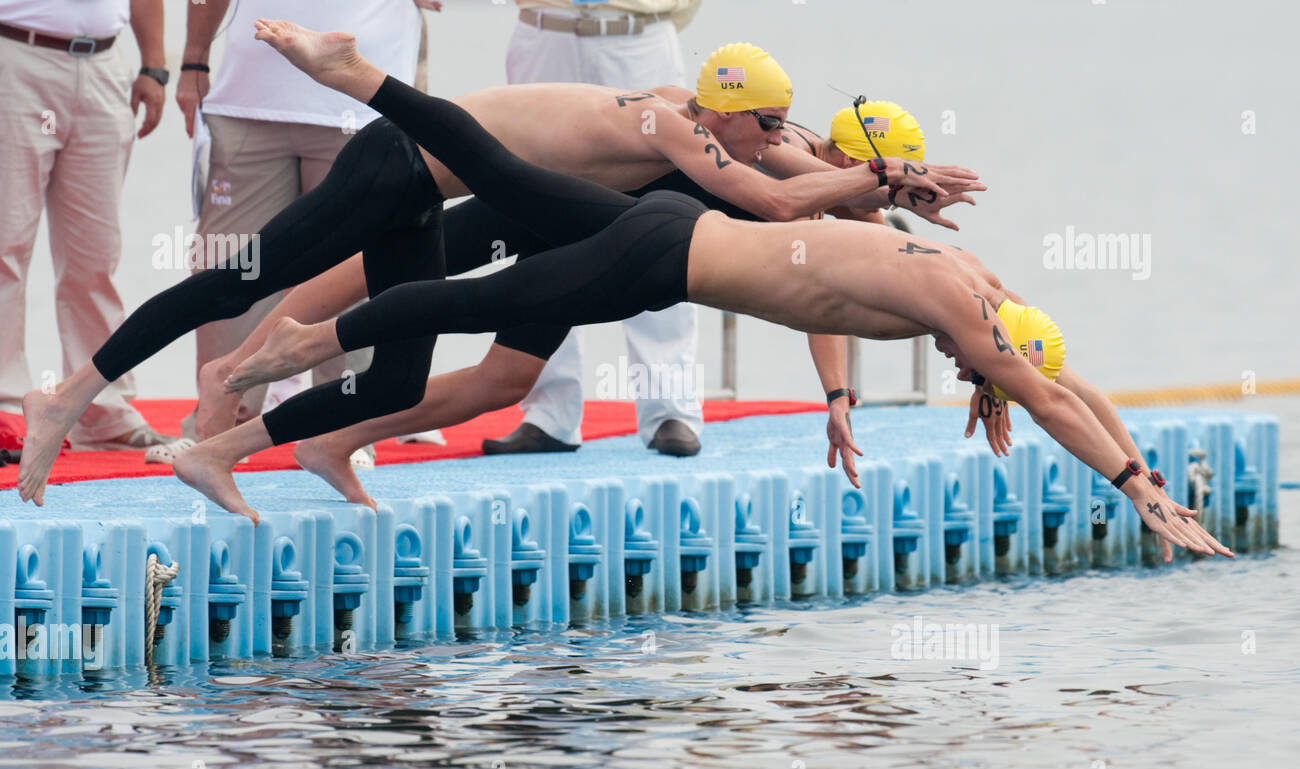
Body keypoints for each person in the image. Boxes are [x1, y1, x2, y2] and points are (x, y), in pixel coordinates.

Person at [173, 21, 1231, 566]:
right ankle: (290, 333)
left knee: (496, 276)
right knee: (464, 271)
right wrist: (1133, 487)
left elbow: (1057, 376)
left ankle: (301, 406)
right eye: (980, 367)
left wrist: (838, 400)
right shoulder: (960, 305)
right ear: (992, 343)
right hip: (660, 252)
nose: (968, 368)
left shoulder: (963, 280)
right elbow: (1047, 393)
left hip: (669, 235)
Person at [15, 25, 981, 507]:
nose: (773, 138)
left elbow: (816, 213)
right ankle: (78, 395)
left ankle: (238, 447)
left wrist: (888, 191)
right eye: (763, 126)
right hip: (397, 159)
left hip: (448, 196)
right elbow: (781, 199)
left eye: (781, 127)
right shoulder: (670, 121)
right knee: (244, 279)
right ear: (726, 111)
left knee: (394, 371)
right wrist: (889, 179)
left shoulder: (737, 127)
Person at [157, 0, 427, 466]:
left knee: (351, 271)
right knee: (229, 264)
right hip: (249, 98)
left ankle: (345, 427)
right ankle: (219, 423)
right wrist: (194, 59)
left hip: (357, 101)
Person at [491, 0, 705, 457]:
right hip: (543, 30)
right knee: (536, 205)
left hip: (638, 33)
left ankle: (670, 407)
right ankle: (549, 411)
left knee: (661, 207)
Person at [0, 0, 175, 451]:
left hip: (104, 63)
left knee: (95, 257)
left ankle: (102, 411)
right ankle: (5, 412)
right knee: (5, 247)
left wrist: (154, 66)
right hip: (16, 53)